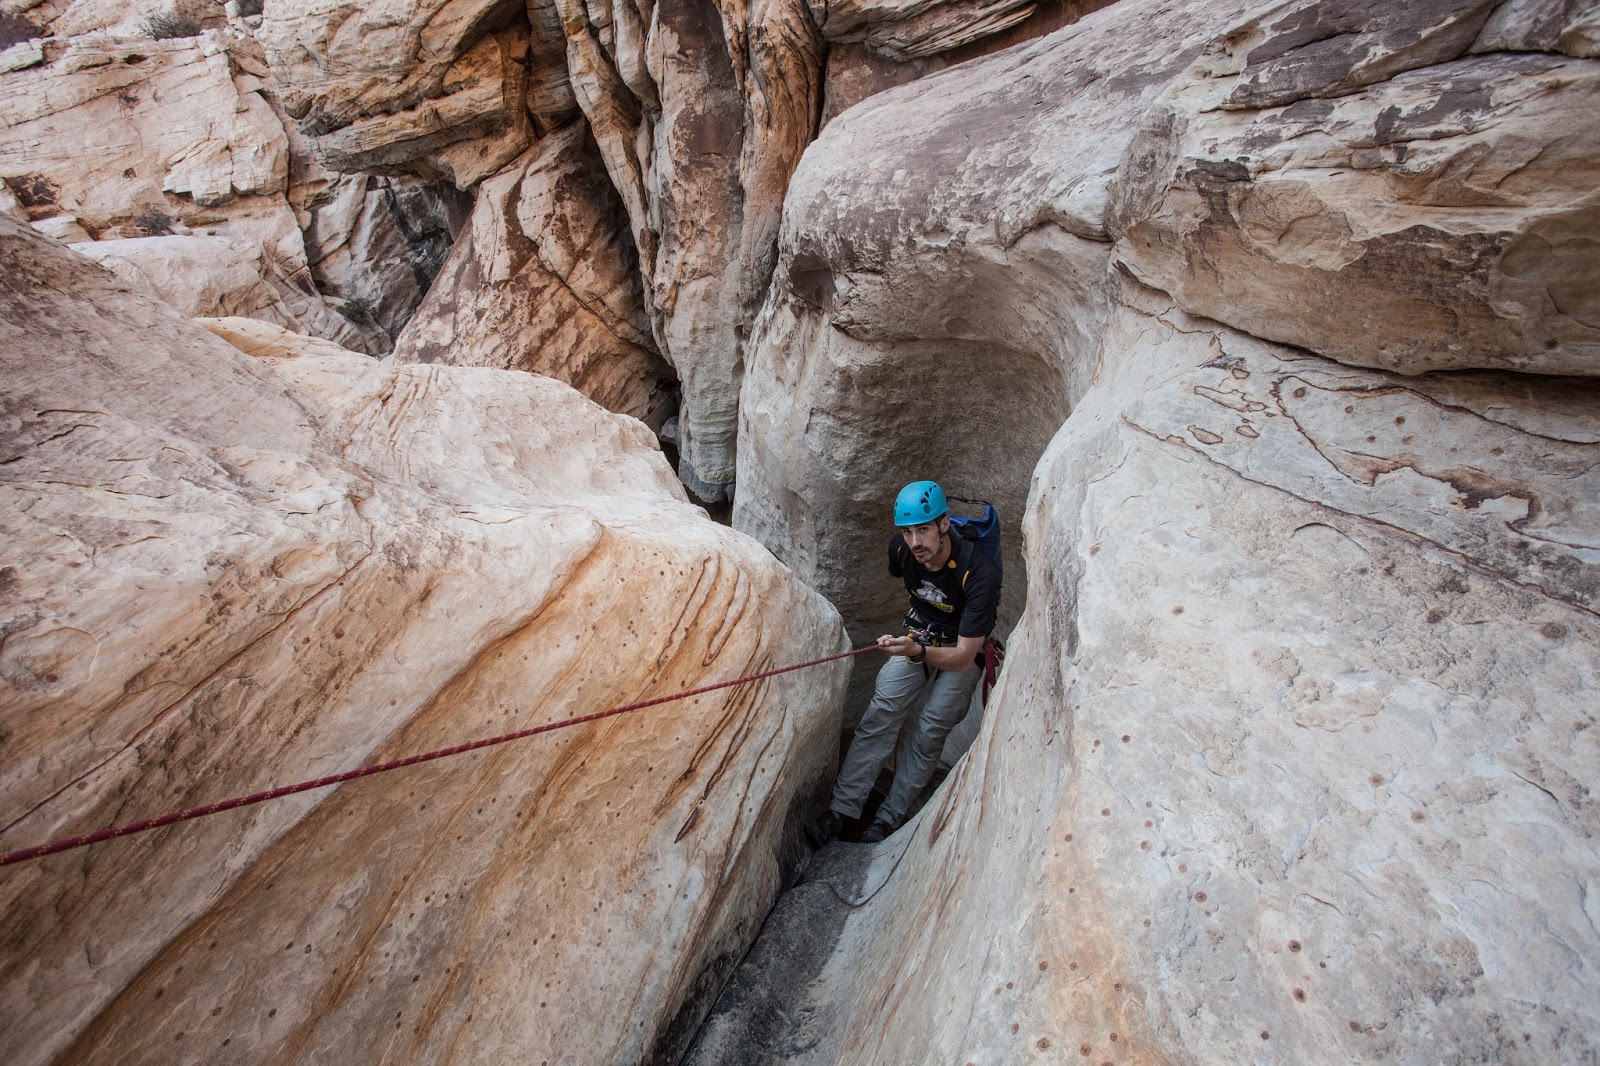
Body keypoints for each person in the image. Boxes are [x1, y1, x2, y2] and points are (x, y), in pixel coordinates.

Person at [807, 480, 1000, 846]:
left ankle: (889, 818)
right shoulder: (901, 551)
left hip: (962, 649)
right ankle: (841, 811)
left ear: (944, 524)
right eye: (908, 531)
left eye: (923, 530)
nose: (915, 542)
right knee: (881, 712)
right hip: (921, 634)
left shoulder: (978, 573)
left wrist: (917, 651)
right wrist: (912, 643)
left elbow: (962, 657)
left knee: (931, 729)